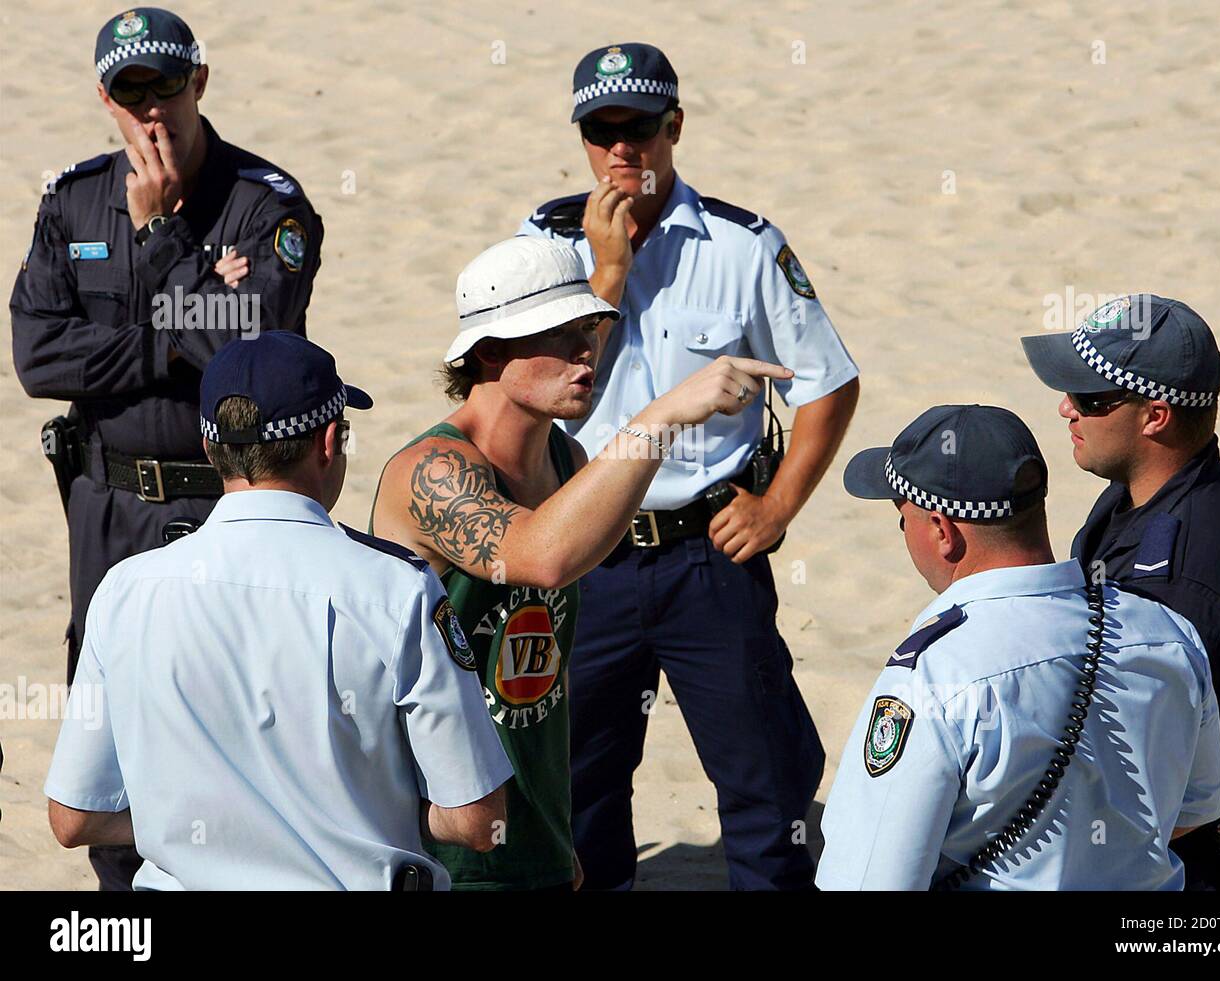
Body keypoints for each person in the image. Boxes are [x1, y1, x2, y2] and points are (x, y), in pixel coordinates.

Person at [517, 41, 860, 891]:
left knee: (764, 781)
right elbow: (535, 386)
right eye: (602, 130)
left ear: (674, 126)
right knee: (579, 783)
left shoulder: (744, 246)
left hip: (708, 549)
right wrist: (605, 273)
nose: (620, 148)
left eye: (638, 126)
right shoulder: (547, 242)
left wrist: (778, 506)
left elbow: (831, 383)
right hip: (585, 554)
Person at [370, 236, 792, 890]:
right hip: (447, 848)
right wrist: (667, 412)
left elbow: (547, 670)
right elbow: (537, 557)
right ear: (490, 350)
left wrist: (553, 833)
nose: (585, 349)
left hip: (535, 833)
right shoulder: (433, 470)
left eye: (589, 328)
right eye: (558, 333)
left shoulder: (565, 459)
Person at [10, 7, 323, 889]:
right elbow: (38, 356)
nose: (153, 110)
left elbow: (248, 342)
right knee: (112, 716)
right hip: (106, 505)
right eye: (130, 90)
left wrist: (159, 240)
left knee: (235, 710)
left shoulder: (268, 205)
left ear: (201, 83)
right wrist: (174, 326)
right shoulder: (72, 200)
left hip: (232, 501)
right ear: (106, 99)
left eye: (168, 84)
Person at [44, 332, 513, 890]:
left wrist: (215, 828)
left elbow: (75, 818)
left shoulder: (125, 590)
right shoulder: (396, 589)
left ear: (208, 447)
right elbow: (479, 819)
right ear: (330, 441)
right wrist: (340, 818)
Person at [816, 404, 1220, 890]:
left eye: (902, 518)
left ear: (942, 531)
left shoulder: (934, 675)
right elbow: (1194, 810)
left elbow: (870, 880)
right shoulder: (1167, 631)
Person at [1021, 294, 1220, 890]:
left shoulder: (1176, 580)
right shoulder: (1143, 496)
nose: (1066, 409)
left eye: (1091, 397)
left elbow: (1150, 785)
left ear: (1155, 416)